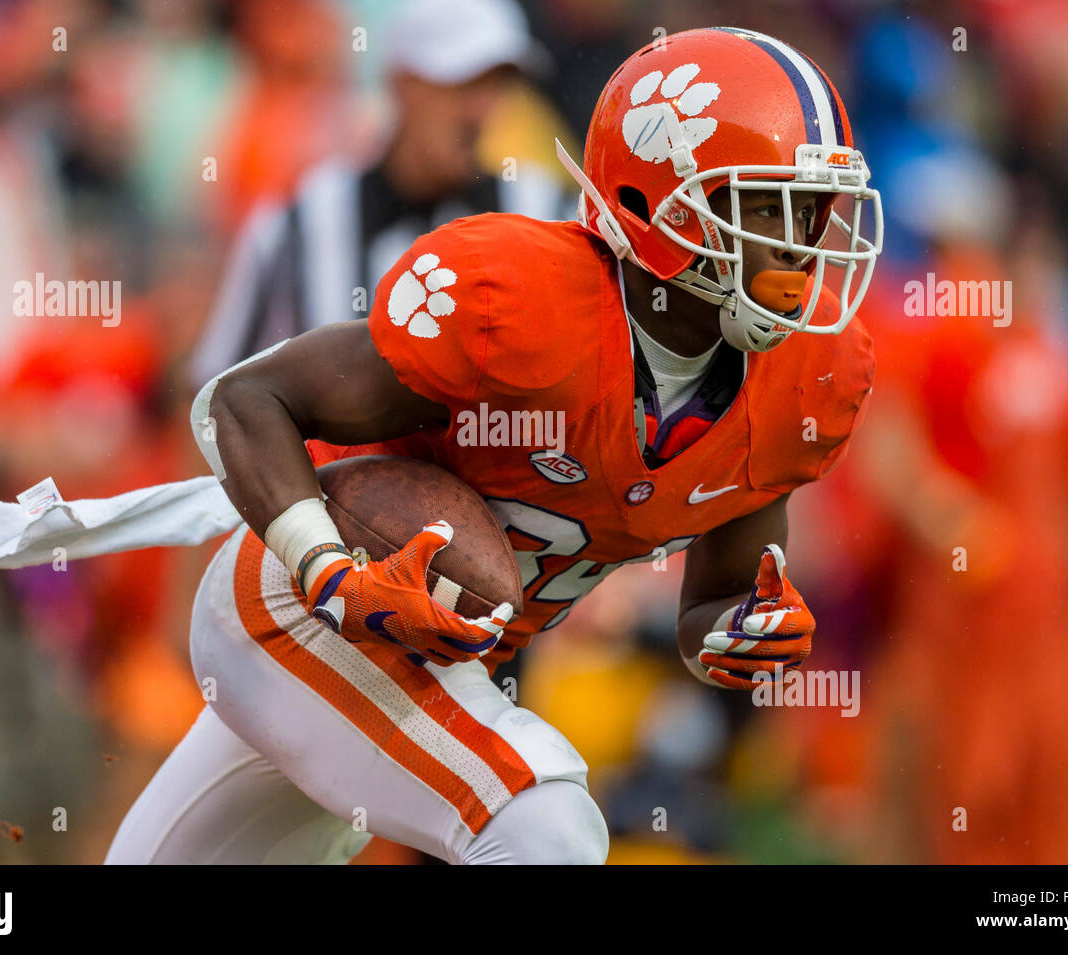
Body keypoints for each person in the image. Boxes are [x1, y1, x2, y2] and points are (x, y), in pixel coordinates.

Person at [107, 27, 882, 865]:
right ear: (654, 202)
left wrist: (741, 630)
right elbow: (248, 397)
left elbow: (718, 598)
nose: (799, 245)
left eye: (810, 210)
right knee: (542, 820)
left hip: (429, 659)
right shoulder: (518, 302)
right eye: (765, 206)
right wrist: (331, 572)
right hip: (304, 617)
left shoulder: (803, 379)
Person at [190, 0, 568, 386]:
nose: (482, 109)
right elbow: (217, 397)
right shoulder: (296, 226)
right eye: (464, 83)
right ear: (400, 83)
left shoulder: (548, 217)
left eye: (497, 84)